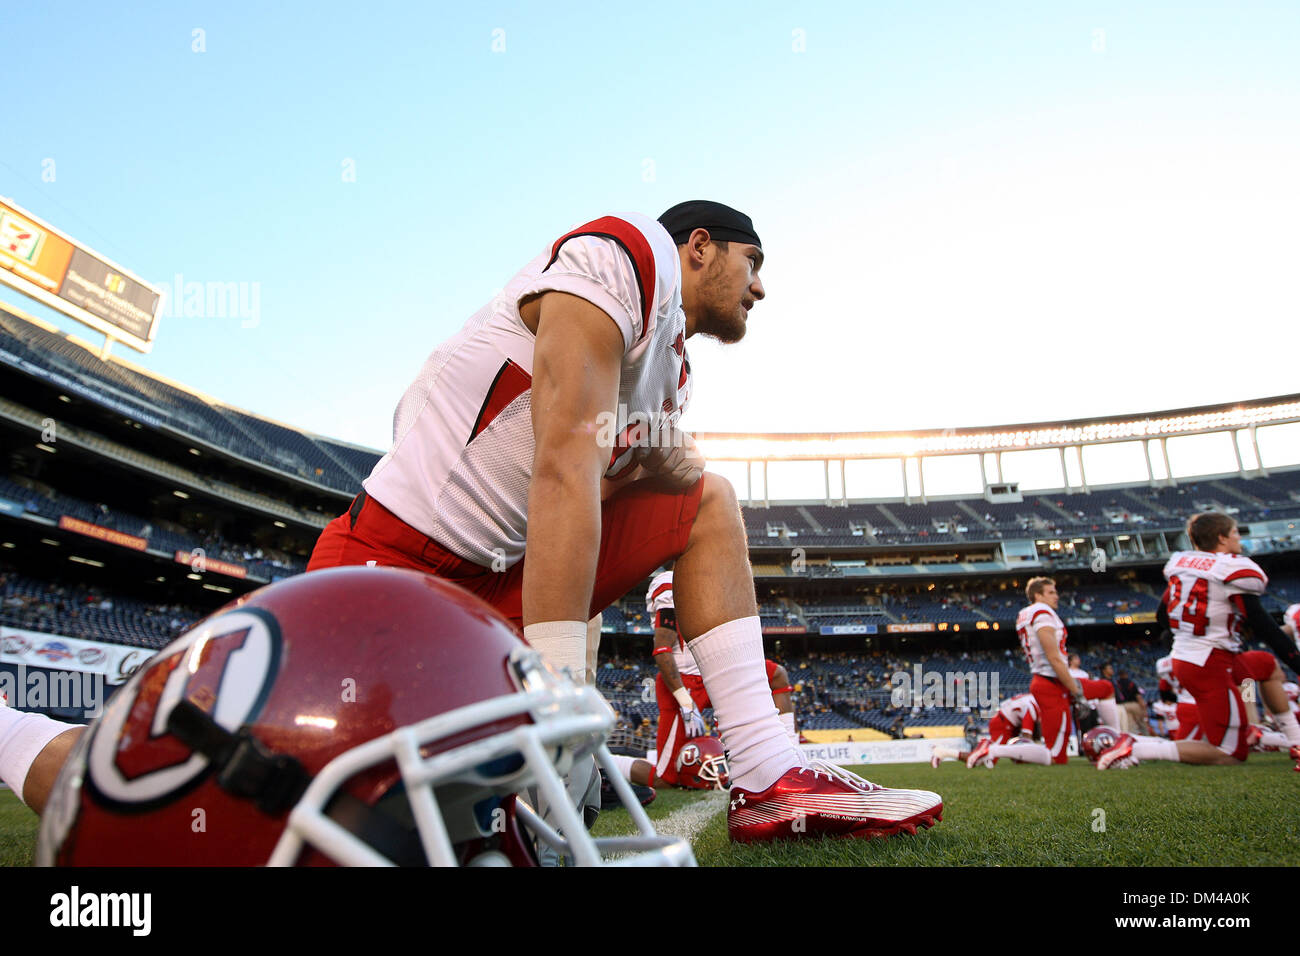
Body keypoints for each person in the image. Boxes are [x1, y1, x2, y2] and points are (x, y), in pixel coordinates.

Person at [302, 200, 940, 842]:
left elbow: (602, 495)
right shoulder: (628, 253)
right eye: (753, 262)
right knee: (351, 817)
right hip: (394, 569)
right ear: (699, 246)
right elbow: (563, 460)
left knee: (708, 501)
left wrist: (674, 466)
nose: (760, 287)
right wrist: (560, 687)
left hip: (505, 582)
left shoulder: (675, 371)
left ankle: (766, 774)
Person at [1097, 513, 1300, 770]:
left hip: (1194, 656)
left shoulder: (1184, 564)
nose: (1239, 537)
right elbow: (1265, 627)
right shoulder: (1231, 568)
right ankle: (1136, 746)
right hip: (1209, 663)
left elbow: (1162, 614)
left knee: (1266, 666)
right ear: (1222, 537)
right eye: (1236, 532)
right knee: (1229, 753)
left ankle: (1295, 741)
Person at [645, 568, 796, 787]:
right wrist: (685, 702)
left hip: (721, 667)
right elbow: (662, 650)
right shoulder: (670, 582)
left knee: (777, 674)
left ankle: (792, 756)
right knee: (666, 779)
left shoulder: (718, 577)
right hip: (685, 679)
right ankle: (610, 765)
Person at [1013, 578, 1120, 764]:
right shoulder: (1041, 612)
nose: (1057, 595)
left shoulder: (1026, 613)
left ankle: (1117, 741)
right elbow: (1054, 657)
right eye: (1051, 592)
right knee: (1055, 755)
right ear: (1038, 595)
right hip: (1052, 681)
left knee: (1105, 688)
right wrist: (1077, 692)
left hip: (1052, 679)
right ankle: (997, 750)